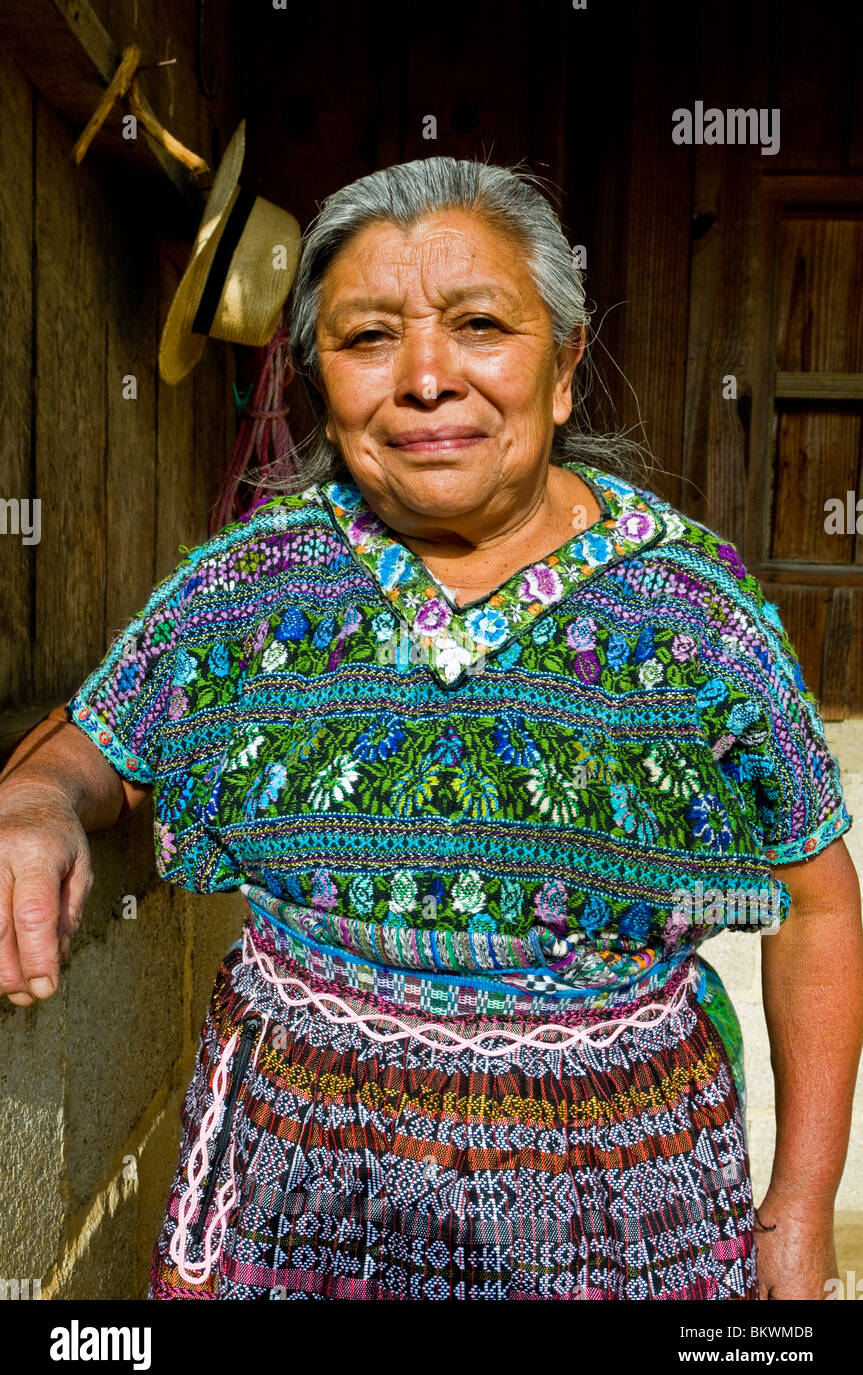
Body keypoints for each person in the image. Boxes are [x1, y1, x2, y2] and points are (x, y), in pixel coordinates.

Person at [1, 157, 861, 1302]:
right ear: (319, 376)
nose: (423, 379)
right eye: (367, 338)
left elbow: (814, 901)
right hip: (288, 1194)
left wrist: (797, 1212)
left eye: (479, 325)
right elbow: (94, 742)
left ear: (561, 367)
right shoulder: (257, 586)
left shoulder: (690, 613)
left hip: (618, 1207)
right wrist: (35, 799)